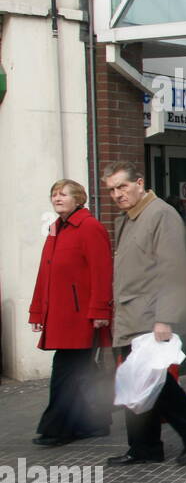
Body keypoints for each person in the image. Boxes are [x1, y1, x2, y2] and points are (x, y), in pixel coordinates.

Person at [102, 162, 186, 466]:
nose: (117, 194)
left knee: (155, 382)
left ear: (139, 182)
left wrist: (165, 317)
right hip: (131, 314)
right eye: (112, 189)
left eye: (122, 186)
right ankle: (144, 448)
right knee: (137, 383)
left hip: (150, 314)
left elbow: (172, 270)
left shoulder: (161, 215)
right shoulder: (127, 219)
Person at [28, 179, 114, 445]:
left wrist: (100, 310)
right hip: (61, 316)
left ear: (79, 198)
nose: (57, 198)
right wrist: (37, 313)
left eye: (63, 194)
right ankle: (95, 423)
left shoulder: (89, 228)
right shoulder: (56, 229)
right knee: (83, 371)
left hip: (81, 318)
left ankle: (58, 428)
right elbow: (46, 274)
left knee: (66, 371)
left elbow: (102, 272)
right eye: (54, 194)